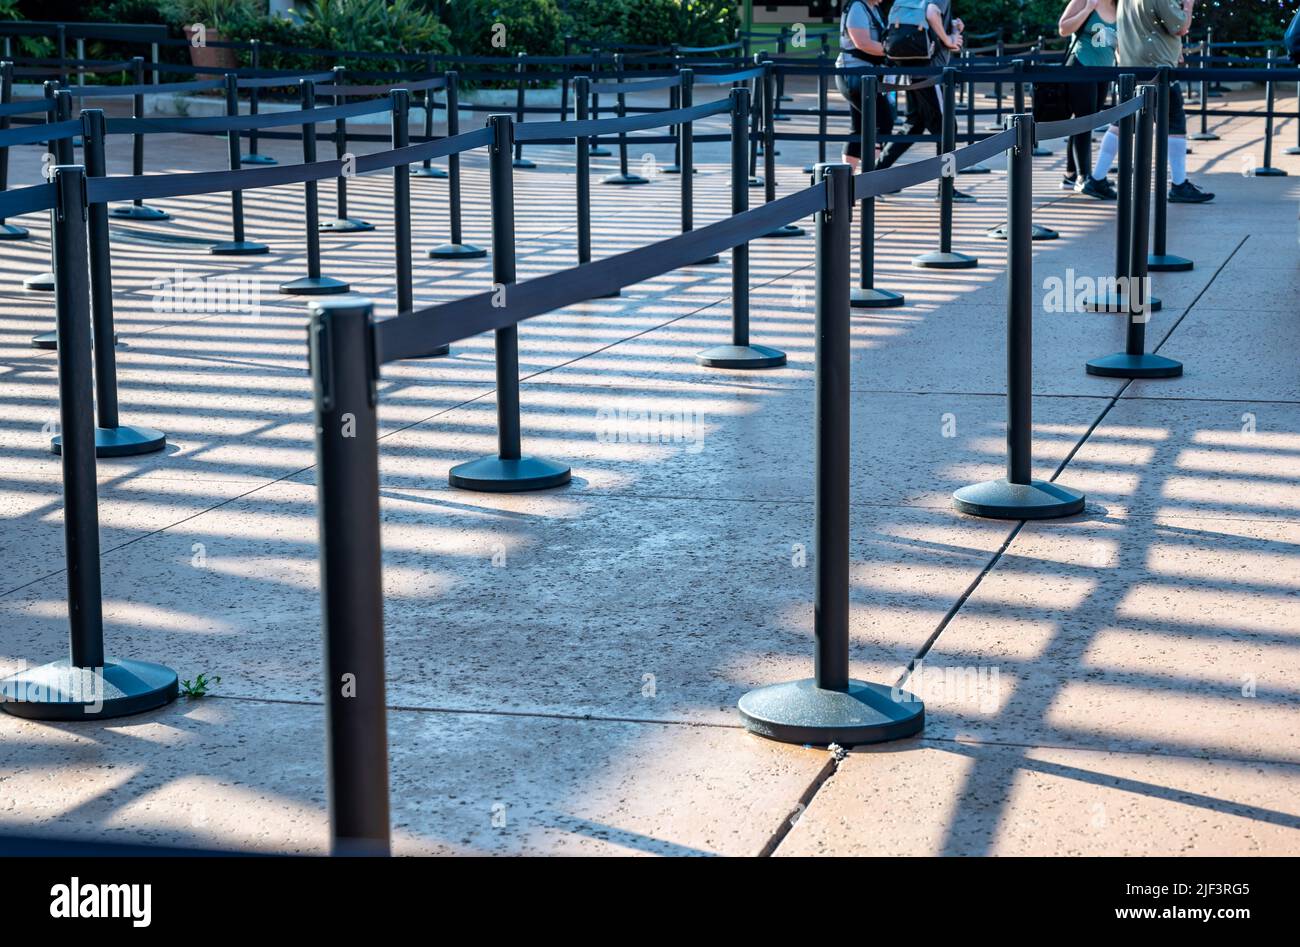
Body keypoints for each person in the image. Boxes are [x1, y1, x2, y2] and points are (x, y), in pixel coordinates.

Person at [1113, 0, 1214, 203]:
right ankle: (1179, 184)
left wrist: (1173, 49)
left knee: (1122, 123)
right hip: (1158, 70)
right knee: (1174, 123)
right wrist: (1188, 6)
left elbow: (1147, 26)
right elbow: (1179, 26)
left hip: (1131, 68)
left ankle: (1096, 177)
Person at [877, 1, 971, 199]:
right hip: (931, 74)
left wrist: (952, 27)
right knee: (947, 128)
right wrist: (949, 39)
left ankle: (874, 176)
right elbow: (930, 12)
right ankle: (946, 188)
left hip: (913, 70)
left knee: (914, 125)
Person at [1057, 0, 1119, 199]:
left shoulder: (1120, 6)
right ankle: (1083, 177)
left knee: (1085, 120)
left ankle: (1070, 174)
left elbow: (1119, 43)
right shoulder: (1084, 1)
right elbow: (1063, 29)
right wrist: (1087, 9)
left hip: (1104, 72)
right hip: (1081, 67)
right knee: (1085, 121)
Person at [835, 0, 894, 172]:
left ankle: (848, 180)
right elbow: (863, 43)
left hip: (867, 74)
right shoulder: (857, 8)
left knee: (859, 127)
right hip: (854, 74)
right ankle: (870, 177)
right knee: (882, 122)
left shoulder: (873, 8)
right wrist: (894, 50)